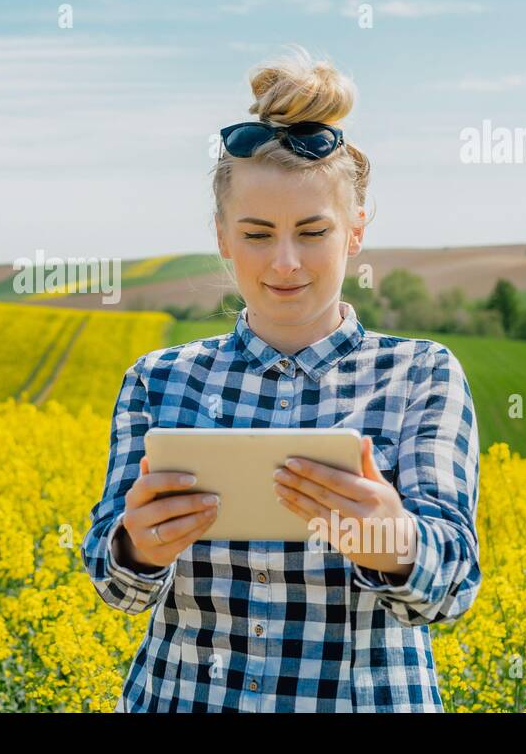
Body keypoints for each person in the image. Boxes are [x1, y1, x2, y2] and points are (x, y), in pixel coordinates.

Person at [81, 46, 482, 712]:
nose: (286, 262)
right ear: (222, 237)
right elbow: (115, 583)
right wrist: (137, 547)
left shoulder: (421, 376)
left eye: (313, 231)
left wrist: (393, 538)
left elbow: (452, 587)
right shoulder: (158, 381)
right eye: (259, 234)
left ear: (354, 232)